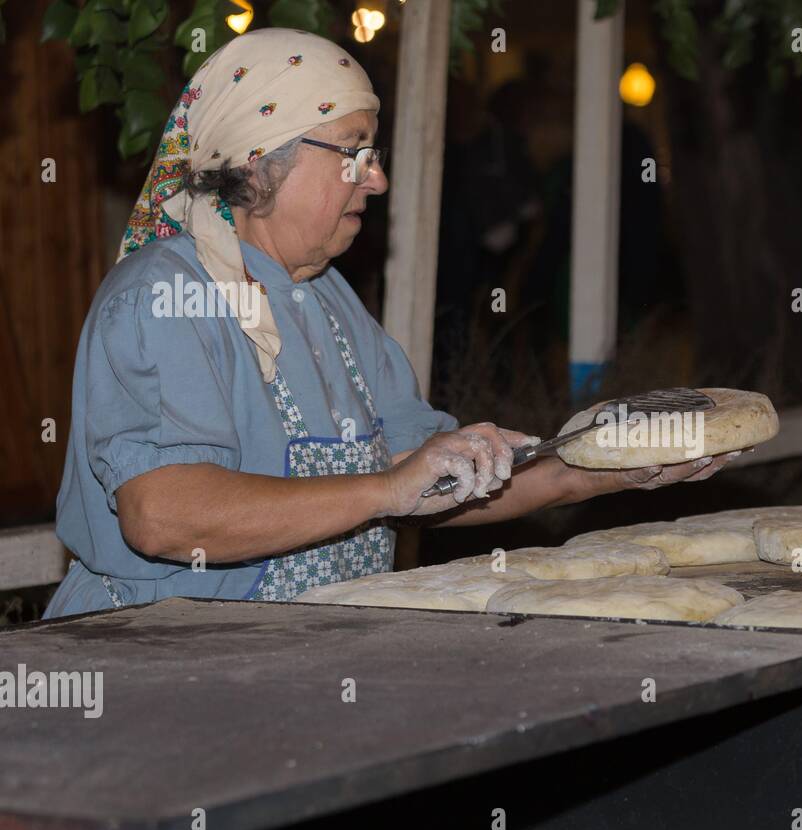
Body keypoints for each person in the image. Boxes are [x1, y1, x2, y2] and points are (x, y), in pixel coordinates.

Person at [44, 29, 734, 618]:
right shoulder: (165, 297)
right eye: (352, 152)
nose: (375, 180)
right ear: (259, 164)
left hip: (294, 668)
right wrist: (384, 490)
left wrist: (602, 468)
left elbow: (431, 475)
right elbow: (163, 514)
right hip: (160, 673)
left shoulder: (331, 299)